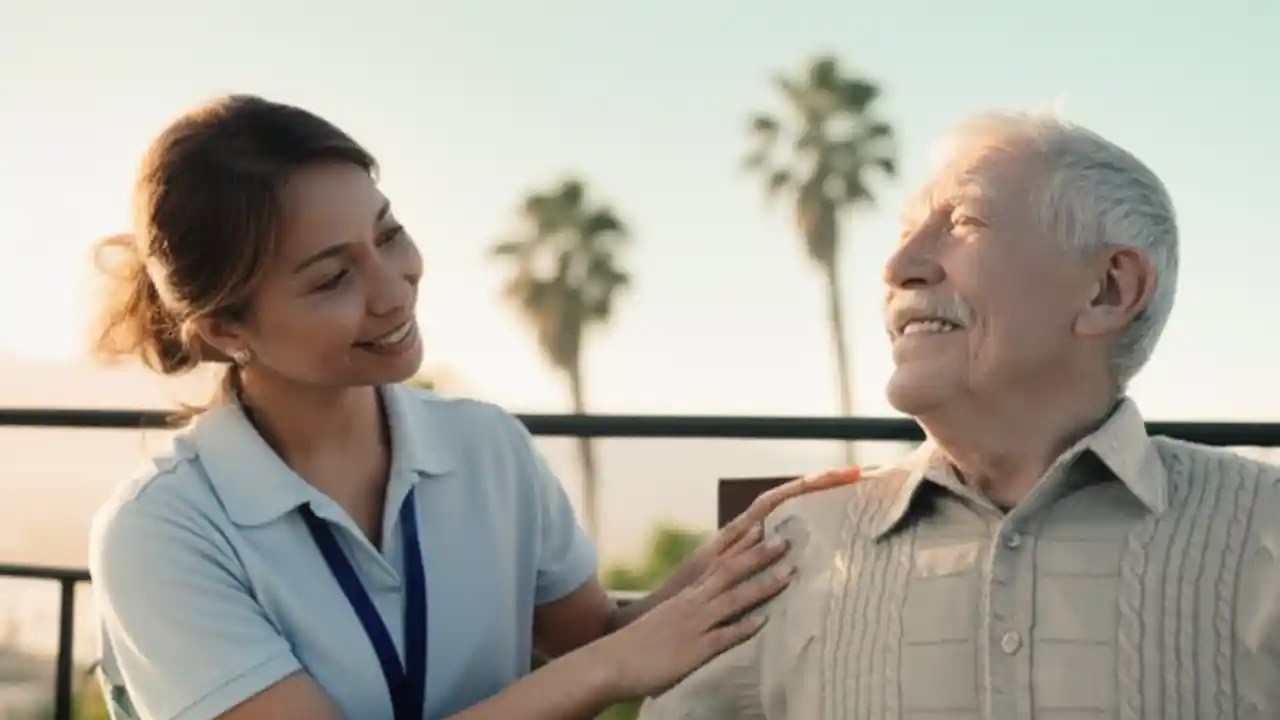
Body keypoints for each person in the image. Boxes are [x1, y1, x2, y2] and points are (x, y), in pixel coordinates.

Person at [86, 94, 861, 720]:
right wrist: (611, 667)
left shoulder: (487, 446)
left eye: (388, 234)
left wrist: (735, 553)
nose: (394, 289)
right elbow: (602, 664)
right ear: (225, 332)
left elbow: (590, 638)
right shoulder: (161, 530)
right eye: (332, 279)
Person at [639, 109, 1280, 718]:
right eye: (904, 233)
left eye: (965, 221)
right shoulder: (787, 549)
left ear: (1109, 288)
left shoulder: (1265, 527)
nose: (898, 268)